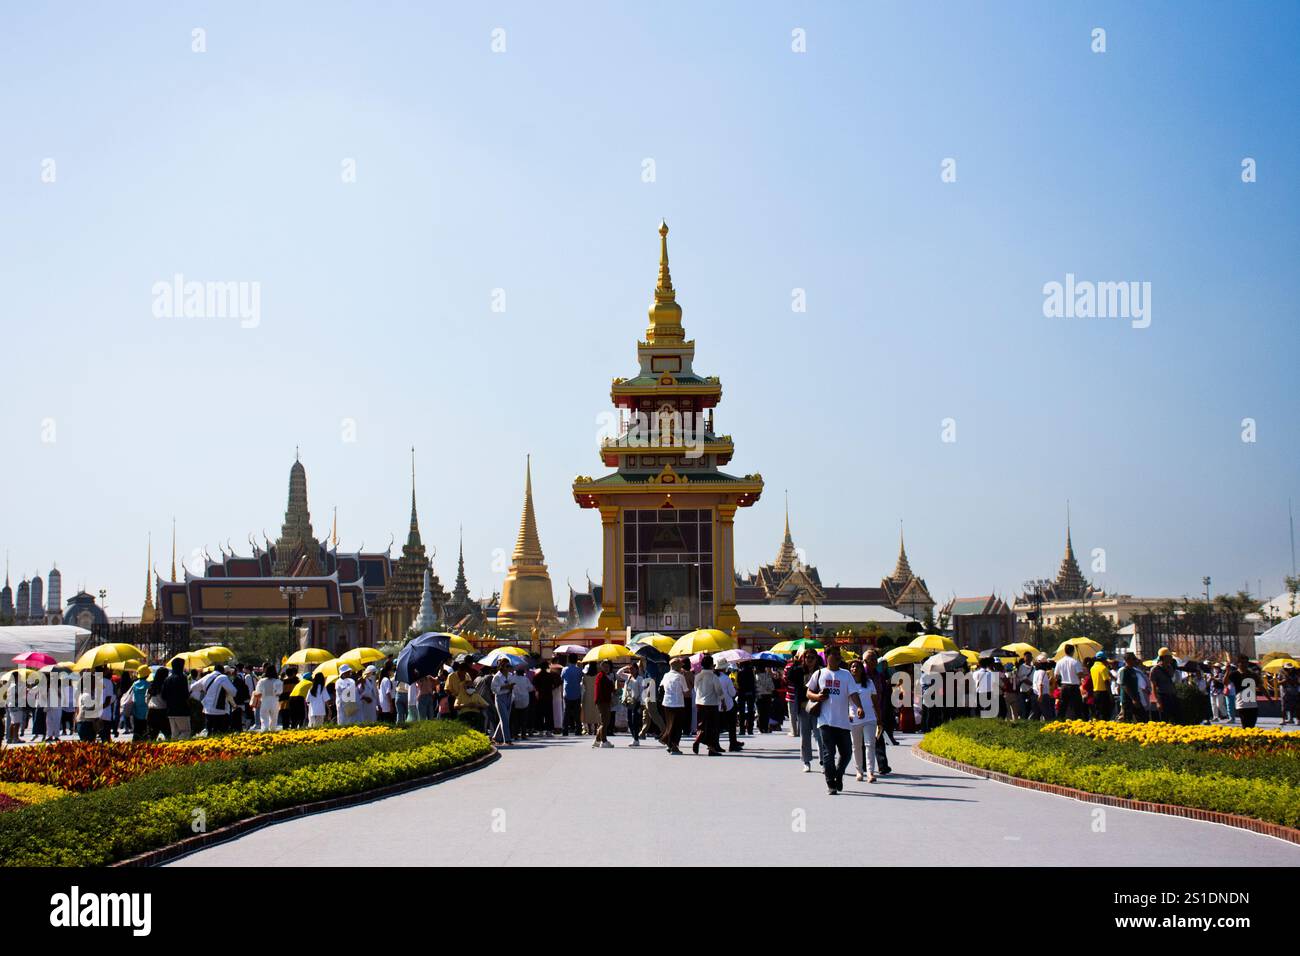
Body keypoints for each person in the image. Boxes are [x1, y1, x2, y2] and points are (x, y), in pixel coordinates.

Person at [806, 647, 866, 795]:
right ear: (827, 657)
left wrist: (859, 707)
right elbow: (808, 692)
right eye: (835, 655)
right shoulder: (819, 673)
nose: (838, 657)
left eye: (839, 655)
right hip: (825, 721)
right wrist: (817, 697)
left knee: (846, 753)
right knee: (829, 753)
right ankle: (830, 783)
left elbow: (853, 693)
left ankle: (838, 775)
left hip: (843, 722)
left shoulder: (846, 675)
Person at [787, 648, 824, 772]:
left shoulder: (821, 671)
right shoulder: (798, 670)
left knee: (819, 735)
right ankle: (806, 761)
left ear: (816, 659)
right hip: (803, 708)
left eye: (812, 657)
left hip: (818, 707)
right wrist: (796, 661)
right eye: (807, 657)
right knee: (805, 736)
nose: (809, 660)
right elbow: (789, 677)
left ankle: (823, 760)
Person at [847, 660, 879, 782]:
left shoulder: (869, 683)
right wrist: (847, 714)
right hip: (854, 719)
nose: (854, 669)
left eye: (857, 666)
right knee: (856, 746)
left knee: (870, 745)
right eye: (852, 667)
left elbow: (875, 701)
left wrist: (879, 717)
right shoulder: (847, 684)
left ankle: (870, 772)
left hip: (870, 718)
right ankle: (859, 771)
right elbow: (843, 701)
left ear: (862, 669)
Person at [690, 655, 723, 756]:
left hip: (700, 703)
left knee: (701, 724)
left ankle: (698, 739)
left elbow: (695, 689)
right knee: (712, 727)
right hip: (711, 703)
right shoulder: (714, 677)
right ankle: (711, 748)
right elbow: (719, 691)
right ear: (711, 665)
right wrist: (723, 700)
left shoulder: (698, 676)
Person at [197, 665, 239, 735]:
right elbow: (234, 692)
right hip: (220, 711)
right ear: (224, 671)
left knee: (210, 733)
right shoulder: (223, 678)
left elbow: (193, 687)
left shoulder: (207, 677)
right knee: (221, 733)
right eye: (229, 673)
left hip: (207, 710)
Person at [659, 658, 688, 754]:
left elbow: (662, 686)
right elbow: (685, 690)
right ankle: (673, 745)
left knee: (670, 724)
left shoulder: (666, 675)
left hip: (667, 702)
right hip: (678, 703)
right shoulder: (680, 676)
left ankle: (668, 743)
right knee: (677, 726)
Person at [161, 659, 192, 739]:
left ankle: (174, 749)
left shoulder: (167, 679)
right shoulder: (183, 677)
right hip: (182, 710)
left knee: (174, 734)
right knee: (186, 732)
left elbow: (163, 696)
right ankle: (181, 748)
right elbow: (185, 694)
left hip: (170, 710)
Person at [621, 660, 648, 747]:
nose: (631, 670)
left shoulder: (640, 679)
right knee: (629, 721)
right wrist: (625, 667)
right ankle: (635, 738)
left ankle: (636, 739)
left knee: (635, 721)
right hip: (629, 702)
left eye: (632, 669)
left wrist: (642, 703)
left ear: (637, 669)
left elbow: (643, 692)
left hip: (637, 702)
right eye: (630, 669)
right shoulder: (628, 677)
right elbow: (619, 673)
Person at [490, 659, 517, 745]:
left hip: (509, 697)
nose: (509, 668)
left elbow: (513, 685)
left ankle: (495, 737)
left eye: (509, 666)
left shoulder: (510, 675)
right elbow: (494, 689)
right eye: (507, 666)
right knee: (505, 719)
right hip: (500, 698)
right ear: (501, 667)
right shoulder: (497, 676)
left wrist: (511, 686)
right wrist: (505, 687)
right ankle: (507, 739)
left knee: (505, 718)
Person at [1228, 656, 1259, 729]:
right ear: (1238, 663)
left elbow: (1260, 686)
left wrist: (1269, 698)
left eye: (1246, 662)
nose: (1244, 664)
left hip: (1253, 704)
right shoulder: (1234, 674)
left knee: (1252, 726)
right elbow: (1225, 683)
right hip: (1242, 704)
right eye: (1242, 662)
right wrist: (1227, 671)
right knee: (1245, 726)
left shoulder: (1252, 674)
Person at [1149, 650, 1179, 723]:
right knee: (1164, 719)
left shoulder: (1169, 667)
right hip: (1162, 697)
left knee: (1175, 718)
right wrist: (1157, 701)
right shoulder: (1154, 670)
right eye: (1170, 656)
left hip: (1172, 695)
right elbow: (1153, 686)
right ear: (1164, 657)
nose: (1171, 658)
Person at [592, 660, 616, 748]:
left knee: (605, 721)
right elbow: (604, 689)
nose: (607, 668)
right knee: (605, 721)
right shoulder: (601, 676)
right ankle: (604, 740)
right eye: (605, 666)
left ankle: (597, 740)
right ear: (601, 667)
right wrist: (611, 684)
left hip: (604, 701)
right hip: (602, 701)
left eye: (608, 666)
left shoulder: (605, 676)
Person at [254, 663, 283, 732]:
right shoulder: (278, 681)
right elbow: (279, 692)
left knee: (264, 718)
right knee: (274, 718)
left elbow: (258, 692)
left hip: (264, 701)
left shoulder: (261, 681)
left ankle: (265, 730)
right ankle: (273, 730)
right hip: (274, 701)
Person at [532, 661, 557, 736]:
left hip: (540, 696)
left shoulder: (537, 676)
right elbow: (554, 684)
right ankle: (549, 730)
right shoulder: (550, 675)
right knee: (549, 713)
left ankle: (540, 730)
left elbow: (534, 684)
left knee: (540, 713)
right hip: (548, 695)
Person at [560, 655, 584, 735]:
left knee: (566, 712)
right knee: (577, 712)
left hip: (567, 692)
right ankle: (578, 730)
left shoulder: (564, 669)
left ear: (568, 660)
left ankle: (565, 730)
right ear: (576, 660)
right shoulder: (579, 670)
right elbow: (581, 679)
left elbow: (562, 678)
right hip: (577, 692)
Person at [128, 667, 152, 741]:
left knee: (137, 729)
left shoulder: (134, 684)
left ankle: (135, 742)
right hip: (146, 710)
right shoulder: (149, 685)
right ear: (147, 675)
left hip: (136, 709)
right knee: (145, 729)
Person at [512, 664, 534, 739]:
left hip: (515, 700)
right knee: (524, 719)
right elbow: (531, 688)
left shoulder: (512, 678)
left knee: (515, 719)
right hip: (525, 701)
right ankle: (523, 734)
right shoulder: (526, 679)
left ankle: (515, 734)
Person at [735, 661, 757, 735]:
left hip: (742, 693)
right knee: (750, 711)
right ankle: (750, 729)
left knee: (742, 712)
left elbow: (738, 683)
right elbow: (753, 683)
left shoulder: (740, 673)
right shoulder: (751, 672)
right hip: (750, 693)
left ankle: (742, 729)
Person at [1090, 652, 1113, 720]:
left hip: (1095, 693)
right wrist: (1110, 694)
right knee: (1105, 713)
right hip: (1103, 693)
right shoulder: (1103, 668)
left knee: (1097, 713)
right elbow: (1106, 682)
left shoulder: (1092, 668)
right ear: (1103, 659)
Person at [755, 664, 775, 733]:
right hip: (767, 695)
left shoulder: (756, 677)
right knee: (766, 712)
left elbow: (755, 688)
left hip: (759, 696)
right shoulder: (768, 676)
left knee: (760, 712)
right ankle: (766, 728)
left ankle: (761, 728)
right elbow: (772, 687)